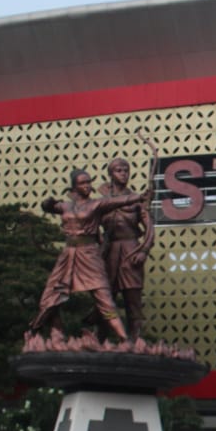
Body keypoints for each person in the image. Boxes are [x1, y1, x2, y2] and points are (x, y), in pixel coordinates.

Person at [29, 169, 150, 342]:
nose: (87, 185)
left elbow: (118, 201)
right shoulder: (65, 206)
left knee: (104, 298)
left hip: (89, 254)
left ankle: (124, 338)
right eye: (82, 183)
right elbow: (48, 207)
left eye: (89, 182)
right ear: (74, 187)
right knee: (51, 296)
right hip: (68, 255)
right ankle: (52, 334)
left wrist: (138, 197)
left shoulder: (96, 204)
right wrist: (47, 203)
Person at [95, 136, 157, 340]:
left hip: (131, 250)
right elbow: (92, 227)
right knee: (106, 299)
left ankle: (134, 340)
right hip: (109, 252)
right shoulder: (102, 201)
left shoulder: (137, 201)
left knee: (133, 301)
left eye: (126, 170)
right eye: (119, 170)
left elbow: (150, 229)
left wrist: (144, 250)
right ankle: (100, 339)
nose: (123, 174)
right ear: (111, 174)